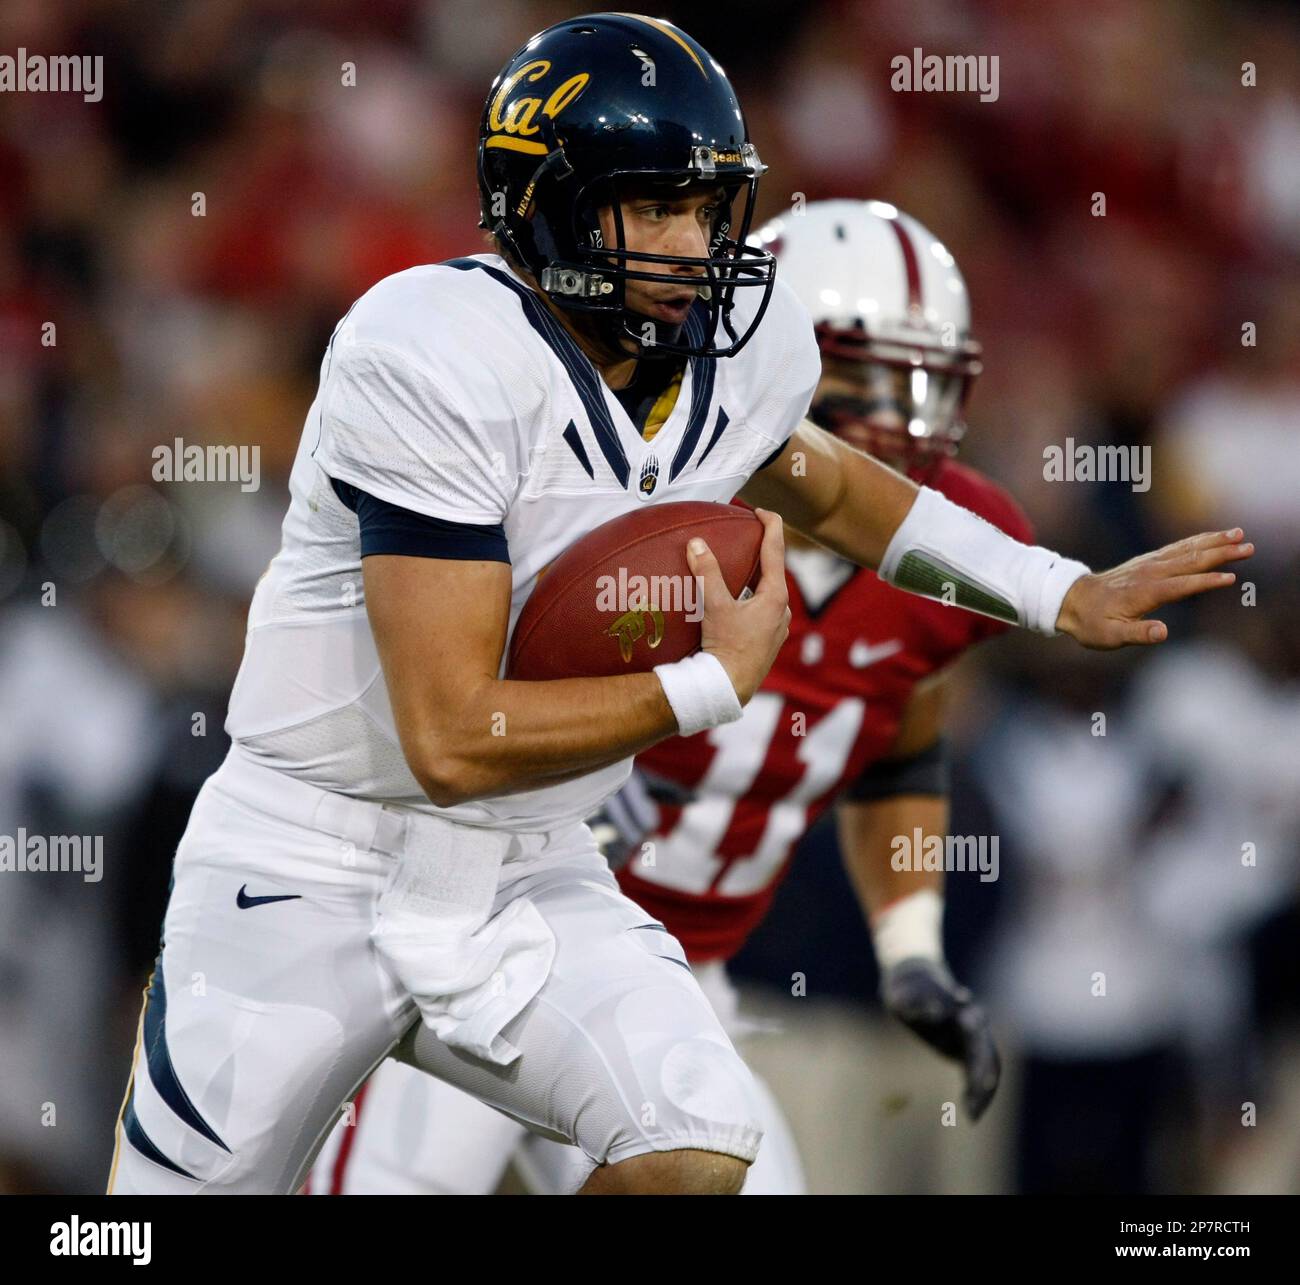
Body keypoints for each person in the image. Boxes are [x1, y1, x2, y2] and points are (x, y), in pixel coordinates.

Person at [109, 14, 1251, 1197]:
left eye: (706, 207)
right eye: (651, 207)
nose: (690, 242)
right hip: (312, 859)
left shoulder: (735, 349)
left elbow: (852, 495)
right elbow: (448, 739)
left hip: (527, 868)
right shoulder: (427, 354)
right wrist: (710, 683)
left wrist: (1058, 590)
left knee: (697, 1142)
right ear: (542, 203)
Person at [308, 199, 1019, 1194]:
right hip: (482, 944)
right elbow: (439, 711)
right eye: (860, 381)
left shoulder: (943, 548)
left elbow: (904, 739)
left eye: (920, 382)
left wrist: (910, 948)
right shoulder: (627, 503)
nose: (896, 425)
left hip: (676, 987)